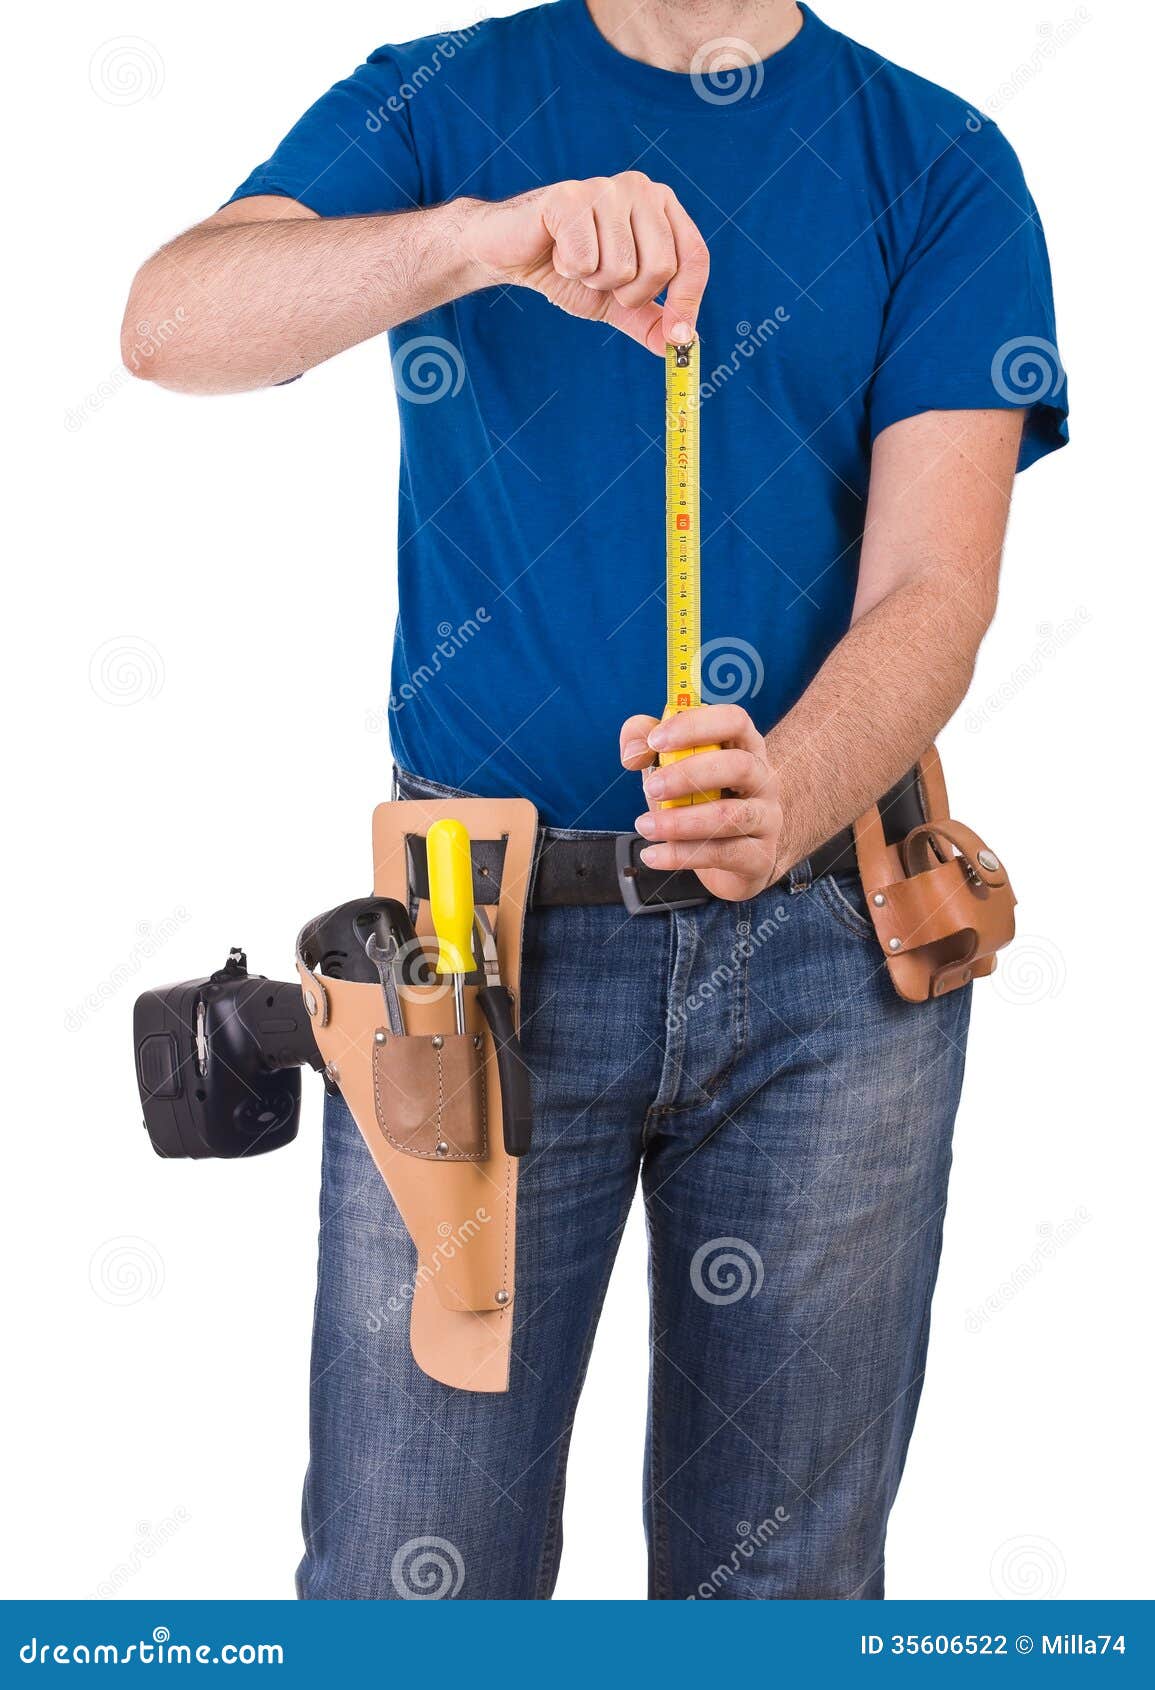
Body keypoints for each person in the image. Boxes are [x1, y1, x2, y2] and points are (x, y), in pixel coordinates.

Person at [122, 0, 1067, 1599]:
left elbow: (935, 585)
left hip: (834, 967)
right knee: (409, 1594)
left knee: (780, 1603)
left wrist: (793, 785)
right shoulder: (444, 101)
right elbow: (169, 324)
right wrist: (477, 241)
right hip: (468, 959)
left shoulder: (941, 163)